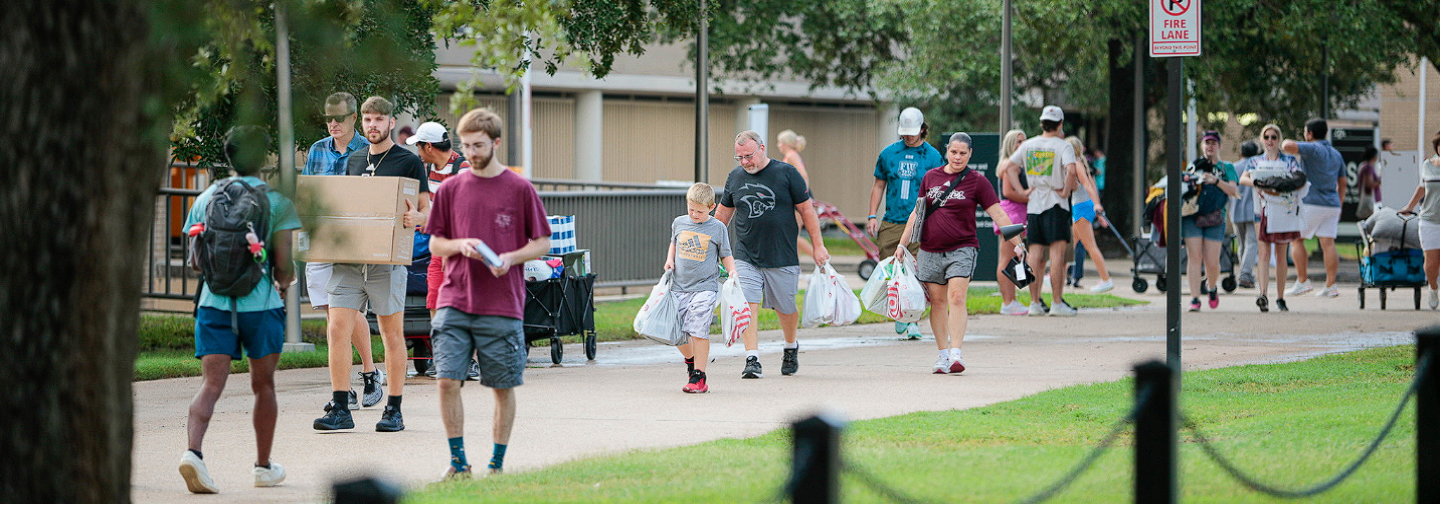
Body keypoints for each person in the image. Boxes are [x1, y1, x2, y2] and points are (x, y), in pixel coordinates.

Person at [427, 107, 552, 478]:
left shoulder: (519, 188)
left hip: (501, 303)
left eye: (478, 145)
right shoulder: (450, 188)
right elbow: (435, 243)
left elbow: (542, 242)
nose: (471, 152)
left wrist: (512, 257)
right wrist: (458, 245)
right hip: (455, 298)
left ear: (496, 143)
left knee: (501, 386)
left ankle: (496, 466)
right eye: (465, 146)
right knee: (447, 379)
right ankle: (458, 463)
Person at [178, 126, 298, 493]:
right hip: (259, 306)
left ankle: (193, 454)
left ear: (227, 157)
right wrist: (283, 282)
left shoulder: (205, 198)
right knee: (264, 385)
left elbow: (196, 262)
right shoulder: (276, 201)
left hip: (213, 303)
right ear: (264, 159)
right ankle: (263, 467)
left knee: (211, 384)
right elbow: (284, 265)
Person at [313, 96, 429, 432]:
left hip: (387, 263)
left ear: (391, 122)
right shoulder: (353, 160)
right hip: (349, 262)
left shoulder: (408, 162)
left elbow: (427, 208)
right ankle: (340, 407)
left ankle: (393, 408)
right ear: (360, 123)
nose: (373, 126)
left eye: (379, 119)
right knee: (337, 329)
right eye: (367, 120)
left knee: (392, 334)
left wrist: (417, 216)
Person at [894, 133, 1025, 374]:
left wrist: (1017, 241)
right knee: (938, 302)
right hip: (929, 249)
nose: (957, 157)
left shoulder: (977, 181)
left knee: (956, 298)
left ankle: (956, 352)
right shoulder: (930, 177)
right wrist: (902, 245)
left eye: (963, 153)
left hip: (962, 248)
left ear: (970, 154)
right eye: (954, 152)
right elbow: (917, 213)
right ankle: (942, 354)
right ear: (947, 151)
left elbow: (999, 213)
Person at [718, 130, 830, 379]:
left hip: (782, 254)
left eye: (748, 155)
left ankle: (790, 346)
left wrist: (818, 246)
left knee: (786, 307)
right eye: (740, 158)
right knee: (747, 304)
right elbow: (722, 216)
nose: (745, 162)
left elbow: (807, 211)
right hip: (746, 254)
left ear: (762, 148)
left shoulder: (786, 173)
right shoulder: (734, 177)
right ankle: (752, 358)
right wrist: (711, 245)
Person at [301, 92, 385, 409]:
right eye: (328, 118)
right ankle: (349, 386)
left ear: (353, 118)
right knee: (332, 316)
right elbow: (307, 193)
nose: (333, 124)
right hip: (322, 238)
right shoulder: (317, 150)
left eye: (339, 118)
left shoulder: (368, 150)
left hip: (353, 240)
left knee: (345, 312)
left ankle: (367, 373)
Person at [998, 105, 1088, 317]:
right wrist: (1066, 191)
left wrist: (1022, 190)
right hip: (1056, 205)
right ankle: (1057, 302)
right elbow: (1072, 169)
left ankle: (1034, 302)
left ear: (1041, 123)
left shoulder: (1029, 145)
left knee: (1035, 254)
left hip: (1034, 206)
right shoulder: (1062, 146)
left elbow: (1009, 167)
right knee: (1056, 254)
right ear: (1060, 124)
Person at [867, 107, 943, 338]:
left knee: (918, 273)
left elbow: (937, 190)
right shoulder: (889, 154)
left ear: (922, 128)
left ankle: (913, 321)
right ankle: (900, 315)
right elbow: (879, 185)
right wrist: (872, 215)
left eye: (913, 132)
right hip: (893, 220)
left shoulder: (932, 156)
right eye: (905, 132)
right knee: (893, 272)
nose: (909, 136)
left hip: (922, 221)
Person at [664, 183, 737, 393]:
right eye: (691, 209)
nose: (695, 214)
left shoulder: (717, 228)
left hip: (705, 287)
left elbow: (726, 254)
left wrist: (731, 271)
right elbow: (673, 243)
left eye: (700, 211)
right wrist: (669, 260)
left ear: (712, 207)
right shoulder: (679, 223)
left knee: (698, 330)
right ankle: (691, 360)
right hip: (678, 287)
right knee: (676, 333)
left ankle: (699, 377)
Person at [1240, 123, 1305, 312]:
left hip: (1282, 210)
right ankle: (1263, 294)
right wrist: (1259, 182)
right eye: (1266, 137)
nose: (1270, 141)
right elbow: (1243, 179)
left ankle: (1280, 296)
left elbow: (1298, 179)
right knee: (1264, 253)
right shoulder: (1255, 161)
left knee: (1281, 254)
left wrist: (1278, 185)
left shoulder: (1289, 160)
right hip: (1262, 211)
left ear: (1279, 140)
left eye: (1274, 137)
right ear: (1262, 139)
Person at [1282, 119, 1347, 298]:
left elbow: (1288, 146)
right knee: (1328, 243)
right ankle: (1330, 285)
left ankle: (1302, 281)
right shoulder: (1336, 154)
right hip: (1332, 204)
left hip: (1311, 201)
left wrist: (1284, 142)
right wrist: (1339, 205)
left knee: (1296, 239)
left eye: (1305, 132)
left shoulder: (1312, 148)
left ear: (1310, 134)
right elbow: (1343, 183)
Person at [1183, 131, 1239, 311]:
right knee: (1194, 257)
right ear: (1202, 146)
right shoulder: (1195, 165)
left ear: (1220, 146)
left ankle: (1212, 287)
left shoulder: (1226, 167)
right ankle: (1194, 298)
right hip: (1192, 216)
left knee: (1212, 261)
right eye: (1207, 143)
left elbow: (1233, 190)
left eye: (1214, 143)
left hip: (1216, 217)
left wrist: (1216, 181)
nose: (1210, 146)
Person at [1064, 136, 1116, 294]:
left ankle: (1106, 279)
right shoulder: (1083, 165)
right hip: (1083, 207)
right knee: (1071, 244)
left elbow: (1087, 186)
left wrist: (1098, 207)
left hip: (1081, 207)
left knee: (1090, 246)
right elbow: (1092, 187)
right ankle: (1054, 274)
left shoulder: (1077, 165)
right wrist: (1098, 210)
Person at [1396, 129, 1440, 310]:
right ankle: (1433, 287)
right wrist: (1409, 206)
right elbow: (1422, 187)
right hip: (1429, 219)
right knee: (1431, 263)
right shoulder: (1427, 165)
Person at [995, 130, 1031, 315]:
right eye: (1018, 142)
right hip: (1012, 213)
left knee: (1011, 258)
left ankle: (1011, 300)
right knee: (1007, 258)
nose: (1022, 145)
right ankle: (1008, 301)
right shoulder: (1010, 165)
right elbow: (1009, 192)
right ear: (1010, 144)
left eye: (1024, 141)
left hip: (1014, 213)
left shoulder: (1013, 164)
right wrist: (1029, 198)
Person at [777, 130, 815, 258]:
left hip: (798, 198)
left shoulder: (792, 156)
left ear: (786, 144)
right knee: (793, 236)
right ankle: (796, 268)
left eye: (780, 142)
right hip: (794, 197)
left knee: (792, 236)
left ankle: (820, 259)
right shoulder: (790, 156)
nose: (778, 145)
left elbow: (803, 175)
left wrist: (803, 197)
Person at [1230, 140, 1262, 289]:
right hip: (1253, 211)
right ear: (1256, 153)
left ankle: (1247, 276)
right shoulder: (1257, 166)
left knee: (1242, 244)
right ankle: (1245, 274)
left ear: (1241, 153)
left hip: (1235, 210)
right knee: (1252, 243)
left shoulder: (1234, 167)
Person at [1357, 146, 1382, 219]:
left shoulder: (1362, 165)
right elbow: (1369, 184)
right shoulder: (1368, 167)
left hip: (1365, 198)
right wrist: (1380, 181)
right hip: (1370, 200)